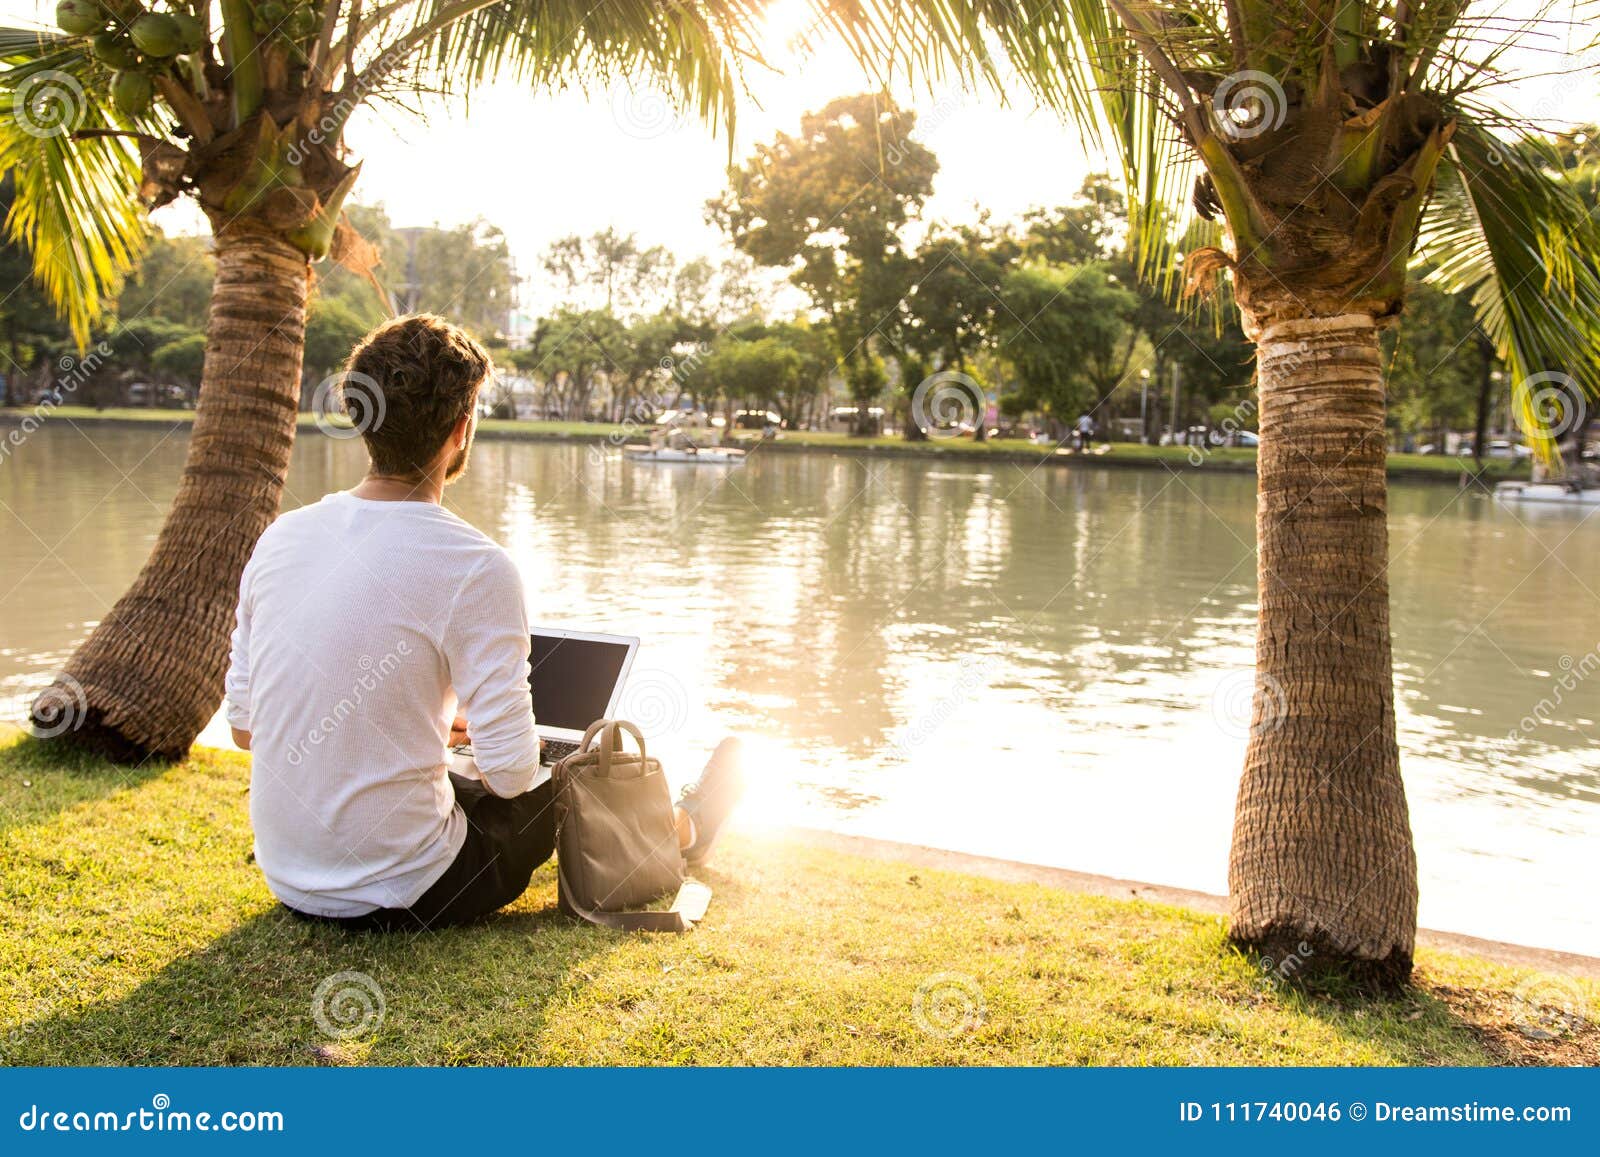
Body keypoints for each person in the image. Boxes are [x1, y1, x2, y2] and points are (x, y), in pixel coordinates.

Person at [224, 315, 744, 932]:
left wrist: (435, 723)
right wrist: (505, 744)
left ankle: (677, 820)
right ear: (462, 428)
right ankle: (688, 826)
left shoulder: (282, 537)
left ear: (361, 420)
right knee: (562, 782)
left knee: (462, 775)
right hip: (410, 890)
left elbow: (246, 731)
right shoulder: (475, 565)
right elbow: (512, 775)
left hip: (291, 878)